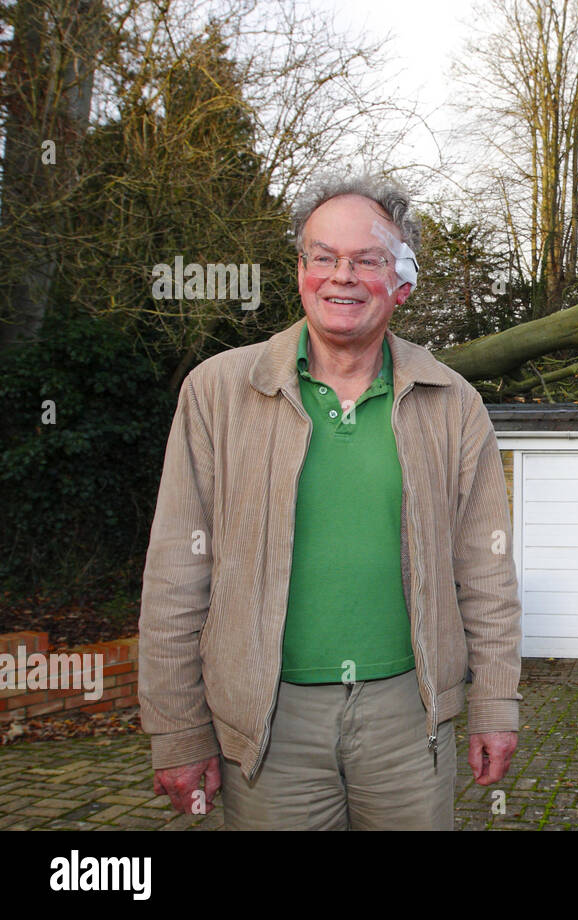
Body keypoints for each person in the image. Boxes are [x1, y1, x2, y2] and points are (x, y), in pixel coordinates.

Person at [138, 174, 522, 830]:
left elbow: (485, 572)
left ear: (401, 282)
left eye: (367, 259)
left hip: (410, 720)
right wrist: (178, 730)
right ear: (300, 270)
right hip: (268, 724)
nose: (341, 276)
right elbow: (177, 572)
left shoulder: (453, 402)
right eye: (323, 256)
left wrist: (494, 705)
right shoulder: (217, 393)